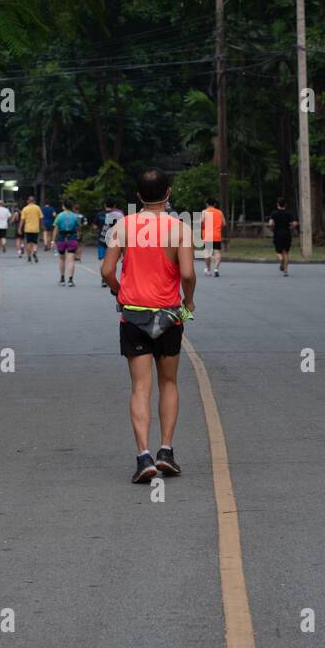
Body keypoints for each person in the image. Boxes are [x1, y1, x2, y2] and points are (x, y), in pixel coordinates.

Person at [101, 168, 196, 484]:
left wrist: (118, 290)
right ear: (168, 193)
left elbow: (106, 270)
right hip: (169, 315)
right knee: (168, 383)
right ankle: (165, 451)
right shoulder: (179, 228)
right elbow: (186, 274)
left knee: (140, 387)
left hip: (134, 316)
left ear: (138, 195)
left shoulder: (122, 226)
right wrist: (189, 301)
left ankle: (144, 457)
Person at [96, 198, 124, 287]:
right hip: (114, 240)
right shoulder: (119, 214)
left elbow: (96, 227)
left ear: (105, 205)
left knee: (103, 260)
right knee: (114, 261)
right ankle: (112, 278)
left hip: (102, 239)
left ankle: (103, 279)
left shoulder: (100, 214)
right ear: (114, 206)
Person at [52, 200, 81, 286]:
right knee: (71, 259)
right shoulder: (75, 216)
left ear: (63, 206)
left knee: (61, 259)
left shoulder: (59, 216)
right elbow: (78, 227)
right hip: (72, 238)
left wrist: (53, 240)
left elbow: (55, 229)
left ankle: (62, 279)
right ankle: (71, 280)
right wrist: (78, 235)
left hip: (61, 238)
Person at [268, 197, 298, 276]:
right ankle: (285, 271)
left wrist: (272, 229)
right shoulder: (289, 213)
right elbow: (295, 223)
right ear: (285, 204)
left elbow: (270, 223)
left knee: (278, 252)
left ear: (277, 204)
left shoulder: (274, 213)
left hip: (277, 234)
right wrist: (290, 228)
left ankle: (281, 259)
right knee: (286, 252)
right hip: (287, 234)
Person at [202, 197, 225, 277]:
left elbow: (201, 222)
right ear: (215, 204)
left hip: (207, 235)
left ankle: (208, 270)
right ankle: (216, 269)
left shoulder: (204, 212)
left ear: (207, 204)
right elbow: (224, 223)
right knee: (217, 252)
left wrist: (203, 228)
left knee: (207, 252)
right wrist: (218, 228)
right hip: (216, 235)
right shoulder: (219, 212)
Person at [19, 195, 42, 263]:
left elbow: (22, 220)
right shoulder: (37, 208)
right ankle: (34, 251)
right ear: (34, 201)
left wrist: (20, 228)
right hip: (35, 228)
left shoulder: (25, 209)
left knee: (28, 243)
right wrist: (41, 226)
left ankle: (29, 256)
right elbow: (41, 218)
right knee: (35, 243)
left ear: (28, 201)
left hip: (28, 228)